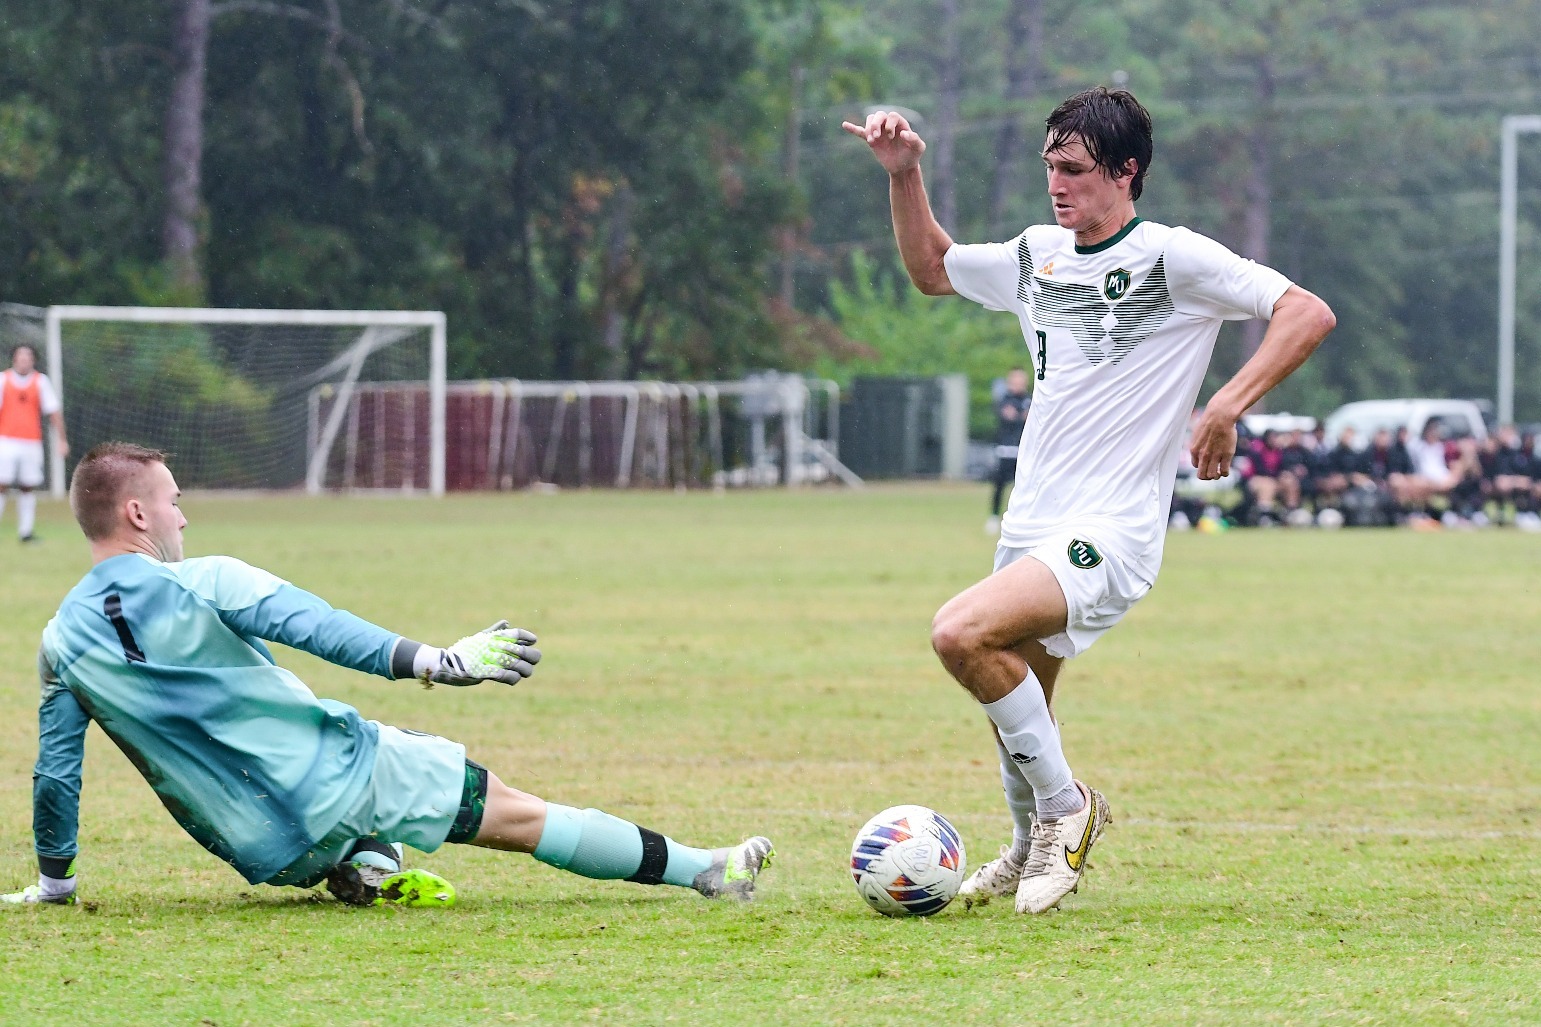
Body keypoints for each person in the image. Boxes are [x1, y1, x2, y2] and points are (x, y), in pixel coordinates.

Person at [843, 86, 1334, 914]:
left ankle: (1068, 813)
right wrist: (903, 175)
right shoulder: (1037, 254)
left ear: (1126, 171)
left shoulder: (1174, 257)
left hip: (1111, 528)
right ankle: (1025, 840)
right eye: (1049, 168)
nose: (1056, 185)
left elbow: (1304, 311)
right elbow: (931, 270)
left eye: (1073, 170)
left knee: (959, 632)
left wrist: (1224, 405)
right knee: (1014, 701)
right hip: (1032, 517)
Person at [4, 442, 773, 907]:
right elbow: (319, 627)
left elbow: (55, 776)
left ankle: (363, 861)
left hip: (264, 850)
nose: (184, 517)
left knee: (278, 710)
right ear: (137, 514)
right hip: (346, 775)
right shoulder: (203, 578)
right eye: (174, 501)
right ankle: (706, 869)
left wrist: (57, 884)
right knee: (517, 813)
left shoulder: (58, 643)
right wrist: (437, 661)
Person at [0, 343, 69, 543]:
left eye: (28, 356)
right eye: (21, 356)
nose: (24, 360)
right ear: (14, 358)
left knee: (27, 486)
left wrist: (62, 440)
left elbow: (53, 412)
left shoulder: (41, 382)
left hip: (31, 442)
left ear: (33, 360)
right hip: (6, 441)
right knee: (1, 484)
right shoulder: (4, 380)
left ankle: (26, 532)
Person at [988, 368, 1032, 534]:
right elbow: (1008, 417)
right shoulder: (1003, 400)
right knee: (999, 485)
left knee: (1023, 488)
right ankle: (993, 517)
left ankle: (1021, 520)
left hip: (1024, 452)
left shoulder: (1030, 399)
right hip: (1005, 450)